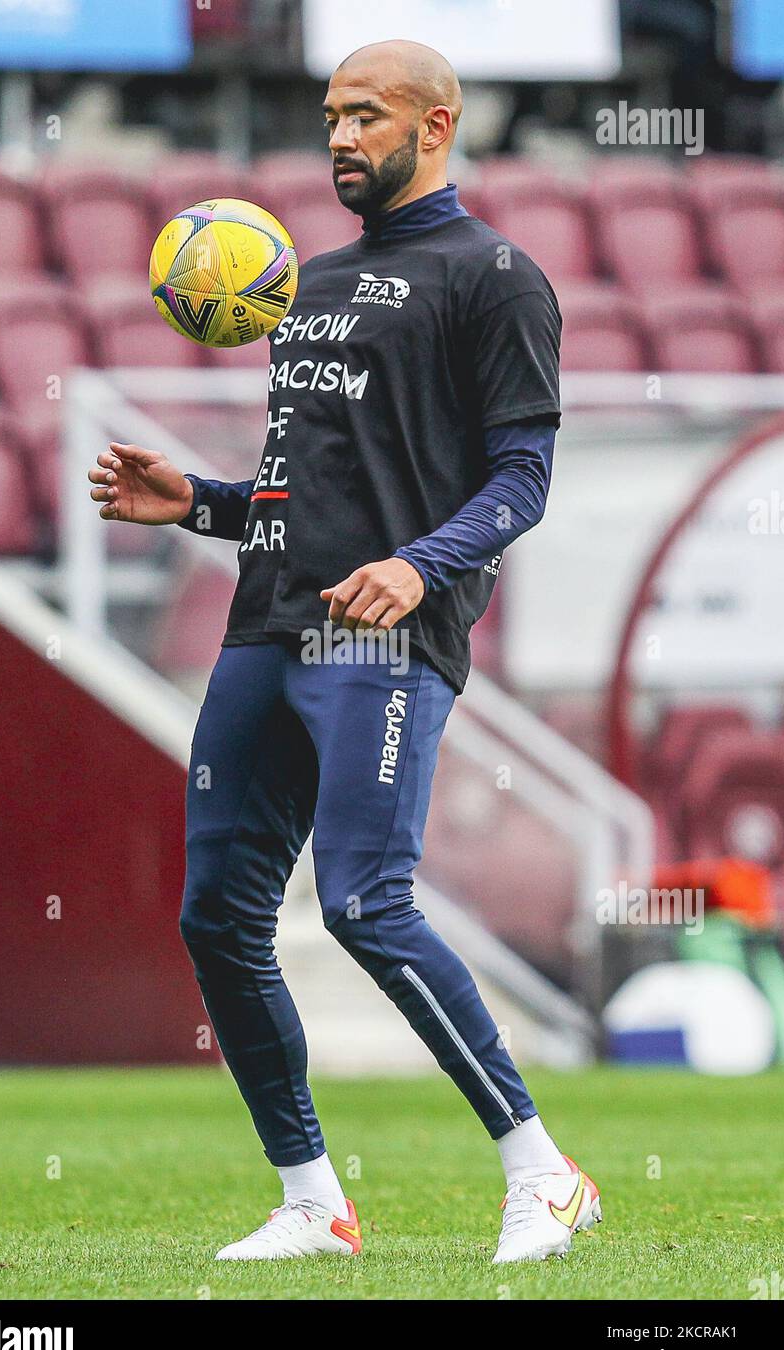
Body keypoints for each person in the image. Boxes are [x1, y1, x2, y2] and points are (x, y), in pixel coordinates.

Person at [87, 39, 601, 1265]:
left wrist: (422, 564)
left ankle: (544, 1168)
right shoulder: (298, 283)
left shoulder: (496, 279)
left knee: (366, 901)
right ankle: (313, 1198)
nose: (338, 137)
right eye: (329, 115)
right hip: (266, 625)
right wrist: (199, 504)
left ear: (435, 125)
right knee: (217, 914)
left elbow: (522, 479)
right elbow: (296, 493)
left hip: (381, 635)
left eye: (365, 116)